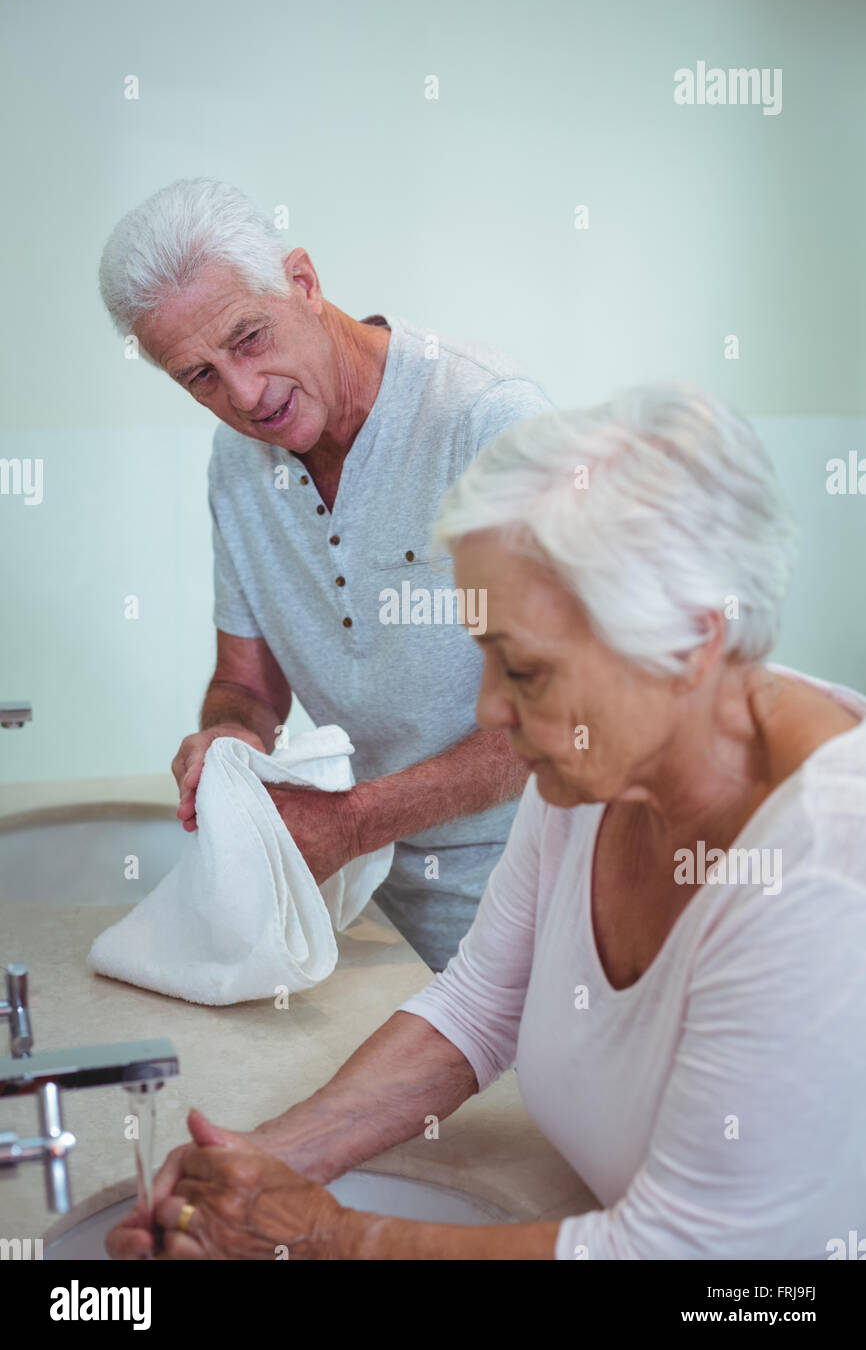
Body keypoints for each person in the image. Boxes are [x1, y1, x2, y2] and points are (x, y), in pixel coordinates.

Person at [108, 383, 866, 1259]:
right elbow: (482, 1005)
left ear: (692, 644)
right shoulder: (599, 766)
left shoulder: (826, 865)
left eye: (526, 671)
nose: (491, 710)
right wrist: (259, 1163)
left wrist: (323, 1236)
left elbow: (698, 1264)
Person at [98, 177, 551, 969]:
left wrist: (351, 819)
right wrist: (230, 741)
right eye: (197, 376)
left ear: (302, 283)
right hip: (374, 904)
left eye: (248, 337)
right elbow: (249, 684)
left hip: (539, 889)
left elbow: (563, 713)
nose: (243, 393)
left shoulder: (487, 418)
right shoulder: (238, 463)